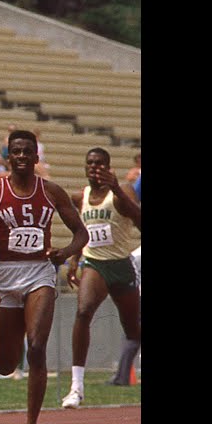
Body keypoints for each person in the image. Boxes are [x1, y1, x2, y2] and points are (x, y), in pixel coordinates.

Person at [0, 129, 88, 424]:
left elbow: (81, 233)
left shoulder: (52, 192)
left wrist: (64, 253)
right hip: (5, 276)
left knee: (36, 346)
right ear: (8, 156)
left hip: (39, 273)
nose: (21, 156)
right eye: (16, 151)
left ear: (36, 157)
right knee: (6, 364)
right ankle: (13, 362)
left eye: (27, 152)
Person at [61, 147, 142, 409]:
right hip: (95, 264)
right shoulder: (81, 197)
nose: (94, 167)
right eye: (90, 163)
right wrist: (74, 260)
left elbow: (139, 219)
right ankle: (76, 387)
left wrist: (117, 189)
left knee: (133, 330)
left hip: (121, 266)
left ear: (108, 168)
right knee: (83, 312)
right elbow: (83, 231)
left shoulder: (122, 191)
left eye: (99, 163)